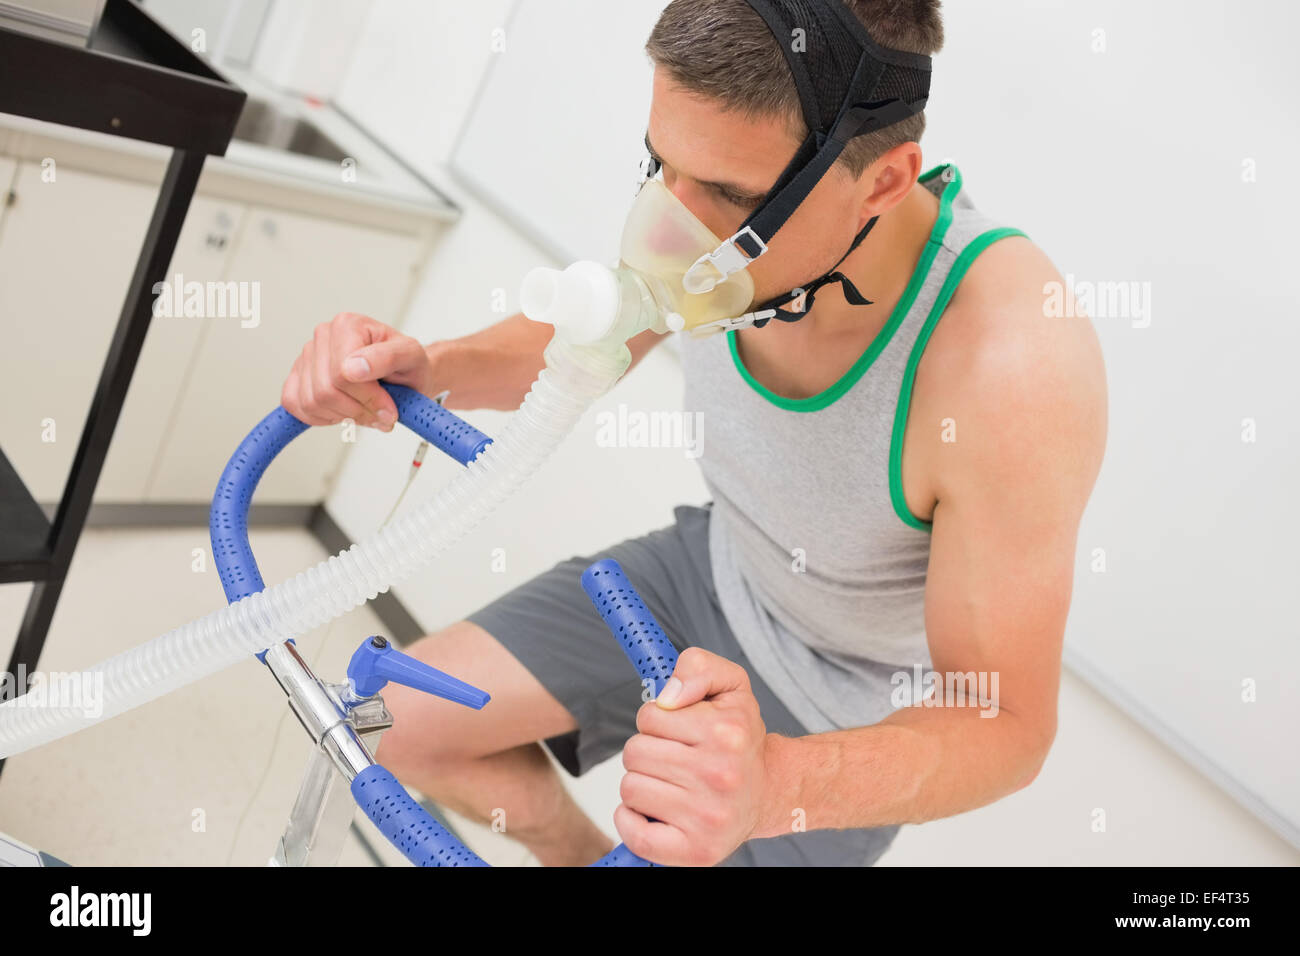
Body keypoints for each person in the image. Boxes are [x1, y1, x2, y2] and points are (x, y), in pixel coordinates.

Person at [280, 0, 1106, 866]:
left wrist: (779, 783)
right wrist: (426, 363)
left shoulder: (1011, 365)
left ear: (884, 183)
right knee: (396, 729)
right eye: (660, 163)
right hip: (705, 578)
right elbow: (598, 334)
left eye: (729, 194)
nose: (666, 230)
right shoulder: (703, 190)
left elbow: (1006, 723)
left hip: (845, 711)